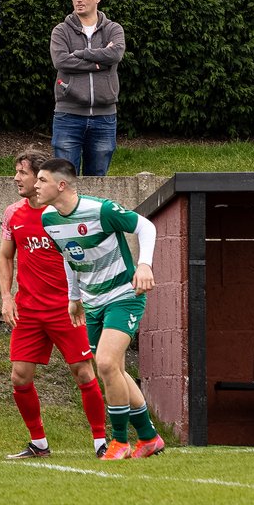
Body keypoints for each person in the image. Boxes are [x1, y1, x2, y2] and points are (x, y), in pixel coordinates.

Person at [36, 157, 164, 458]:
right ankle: (149, 437)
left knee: (106, 364)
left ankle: (119, 441)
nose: (36, 186)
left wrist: (144, 265)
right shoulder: (49, 219)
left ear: (61, 185)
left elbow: (145, 227)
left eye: (42, 180)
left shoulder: (101, 210)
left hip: (123, 295)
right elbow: (71, 257)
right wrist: (74, 296)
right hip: (92, 303)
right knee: (115, 368)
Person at [0, 148, 108, 458]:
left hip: (66, 308)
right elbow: (6, 256)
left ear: (39, 178)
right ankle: (39, 443)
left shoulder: (64, 213)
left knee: (84, 373)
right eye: (16, 171)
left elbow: (87, 257)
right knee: (20, 376)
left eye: (22, 172)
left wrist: (85, 298)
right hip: (29, 310)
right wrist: (7, 297)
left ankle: (101, 443)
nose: (16, 177)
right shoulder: (13, 213)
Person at [50, 0, 125, 176]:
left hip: (104, 117)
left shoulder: (113, 29)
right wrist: (101, 62)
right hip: (68, 115)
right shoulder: (61, 31)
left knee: (98, 180)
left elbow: (115, 54)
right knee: (63, 180)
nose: (78, 0)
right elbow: (61, 62)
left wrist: (82, 54)